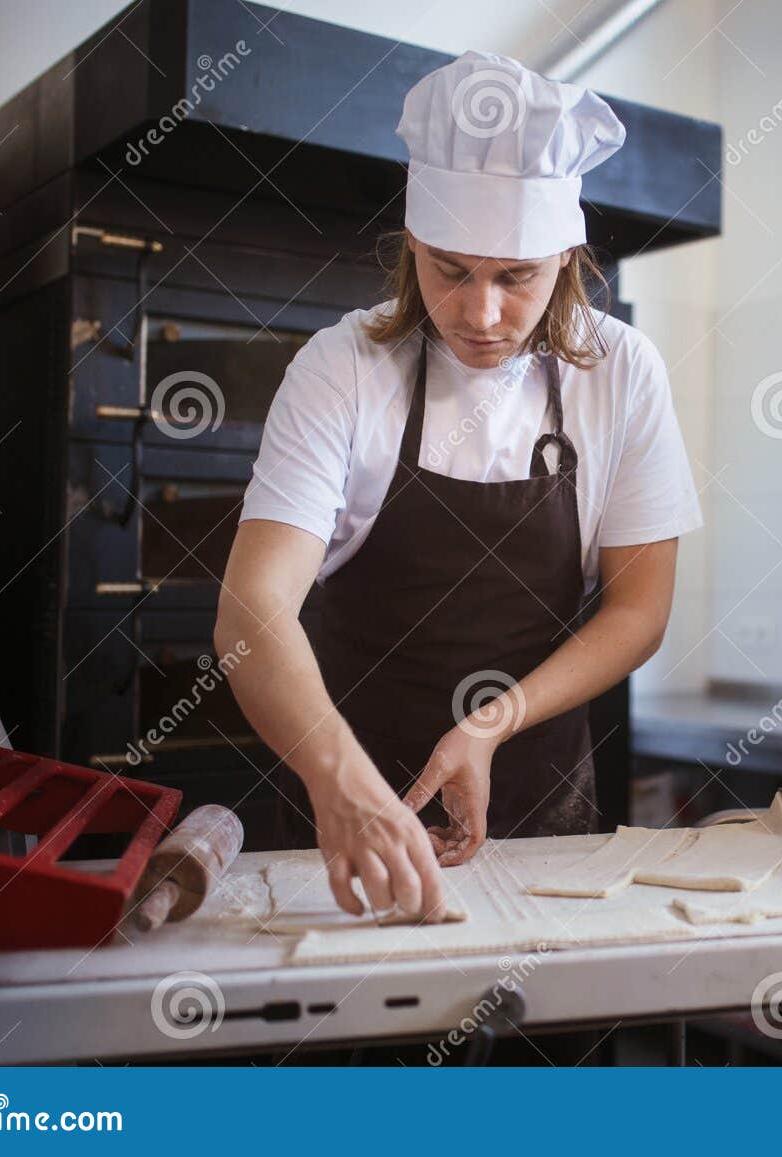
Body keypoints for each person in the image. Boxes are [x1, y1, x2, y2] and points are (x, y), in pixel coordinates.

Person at [216, 51, 702, 921]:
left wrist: (489, 725)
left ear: (565, 254)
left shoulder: (622, 371)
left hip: (548, 812)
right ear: (411, 248)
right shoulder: (343, 367)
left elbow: (640, 610)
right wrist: (340, 780)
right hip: (355, 802)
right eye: (450, 270)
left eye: (515, 276)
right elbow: (251, 611)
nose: (481, 315)